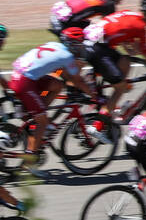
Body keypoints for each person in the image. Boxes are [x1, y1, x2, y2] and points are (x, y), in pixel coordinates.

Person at [8, 29, 101, 158]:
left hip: (21, 75)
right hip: (25, 82)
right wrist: (94, 96)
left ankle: (36, 115)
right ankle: (30, 159)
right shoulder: (67, 56)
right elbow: (77, 80)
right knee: (42, 122)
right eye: (80, 45)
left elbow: (61, 71)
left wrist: (71, 79)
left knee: (56, 85)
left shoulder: (55, 45)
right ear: (73, 44)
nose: (81, 48)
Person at [82, 5, 146, 117]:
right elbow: (144, 51)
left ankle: (97, 78)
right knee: (120, 87)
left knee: (125, 60)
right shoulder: (140, 26)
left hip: (90, 38)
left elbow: (123, 34)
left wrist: (130, 49)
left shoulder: (128, 12)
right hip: (98, 48)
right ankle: (102, 119)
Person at [48, 0, 129, 35]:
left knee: (93, 27)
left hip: (57, 16)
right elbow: (108, 26)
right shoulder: (109, 4)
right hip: (65, 24)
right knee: (100, 38)